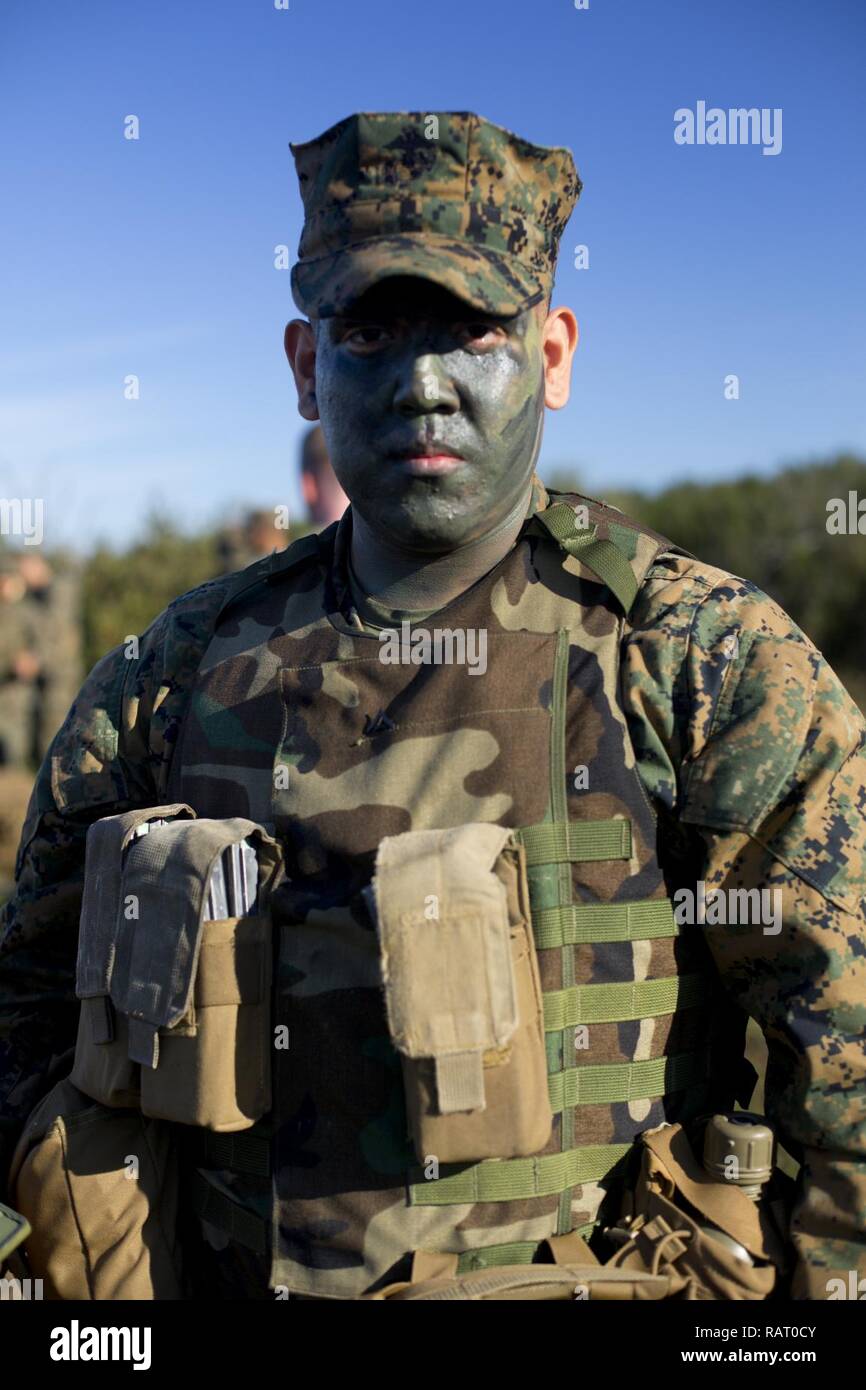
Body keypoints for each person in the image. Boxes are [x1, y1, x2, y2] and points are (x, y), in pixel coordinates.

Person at [0, 111, 864, 1302]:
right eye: (369, 332)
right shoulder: (174, 670)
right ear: (306, 366)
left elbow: (847, 1060)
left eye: (475, 332)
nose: (422, 384)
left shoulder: (701, 659)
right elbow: (29, 1011)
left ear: (552, 355)